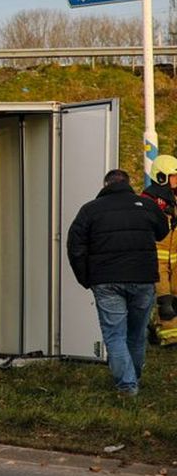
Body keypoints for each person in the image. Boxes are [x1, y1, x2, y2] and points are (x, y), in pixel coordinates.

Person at [66, 169, 168, 396]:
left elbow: (75, 246)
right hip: (143, 278)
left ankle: (128, 385)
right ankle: (132, 378)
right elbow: (162, 232)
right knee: (137, 333)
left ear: (105, 184)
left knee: (115, 334)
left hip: (106, 281)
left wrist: (86, 278)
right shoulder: (146, 205)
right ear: (128, 183)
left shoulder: (90, 210)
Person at [141, 155, 177, 347]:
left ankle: (159, 330)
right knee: (165, 301)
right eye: (173, 177)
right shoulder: (148, 200)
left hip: (175, 258)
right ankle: (169, 338)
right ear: (162, 177)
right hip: (158, 258)